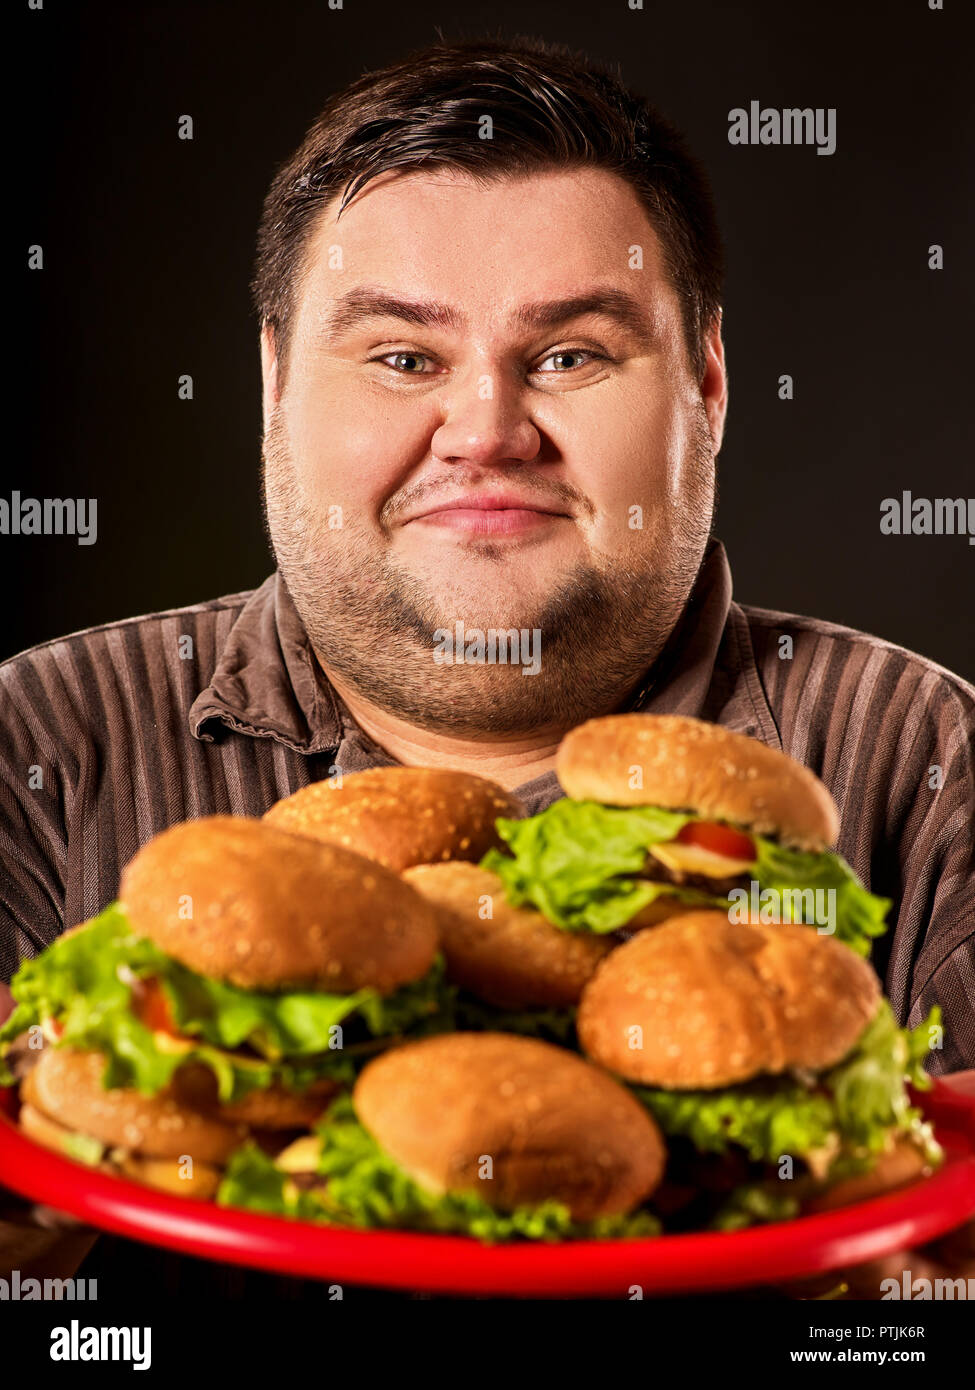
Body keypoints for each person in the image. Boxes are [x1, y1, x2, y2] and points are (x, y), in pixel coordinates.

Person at [2, 34, 972, 1294]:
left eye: (571, 354)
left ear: (711, 388)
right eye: (404, 357)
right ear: (275, 382)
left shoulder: (929, 757)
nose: (486, 430)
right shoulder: (39, 741)